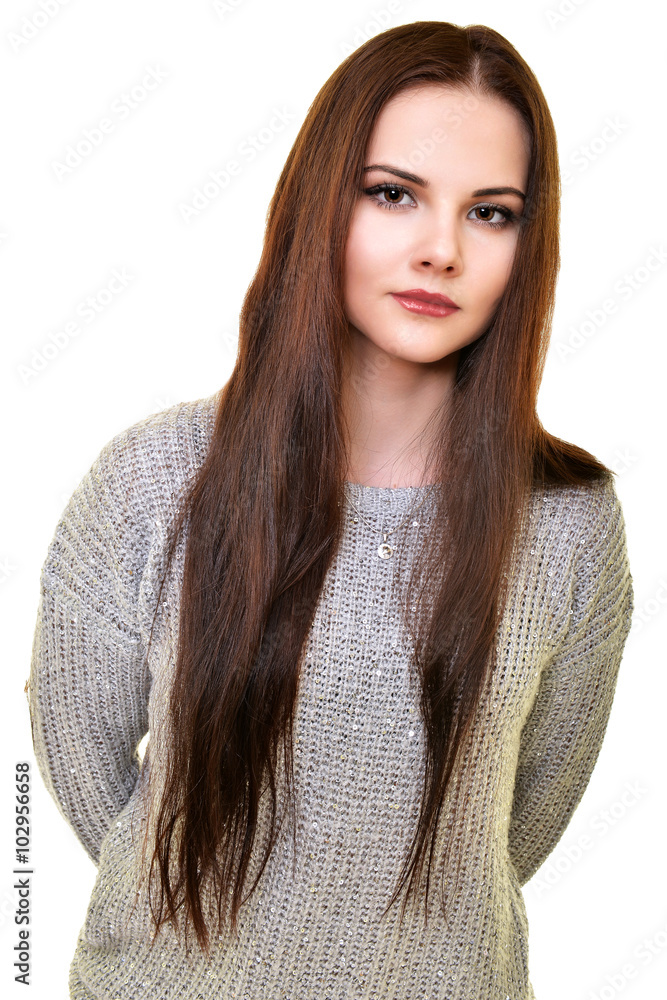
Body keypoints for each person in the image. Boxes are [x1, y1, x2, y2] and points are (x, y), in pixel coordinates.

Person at [27, 19, 634, 1000]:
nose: (440, 249)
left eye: (491, 213)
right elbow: (77, 753)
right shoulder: (152, 477)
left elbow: (523, 816)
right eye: (393, 194)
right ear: (320, 202)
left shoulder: (567, 522)